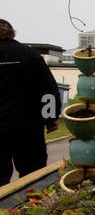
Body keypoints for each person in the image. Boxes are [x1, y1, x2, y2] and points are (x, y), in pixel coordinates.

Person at [0, 19, 62, 186]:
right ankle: (30, 209)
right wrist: (50, 119)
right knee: (33, 177)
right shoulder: (30, 54)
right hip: (28, 128)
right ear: (12, 33)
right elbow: (49, 89)